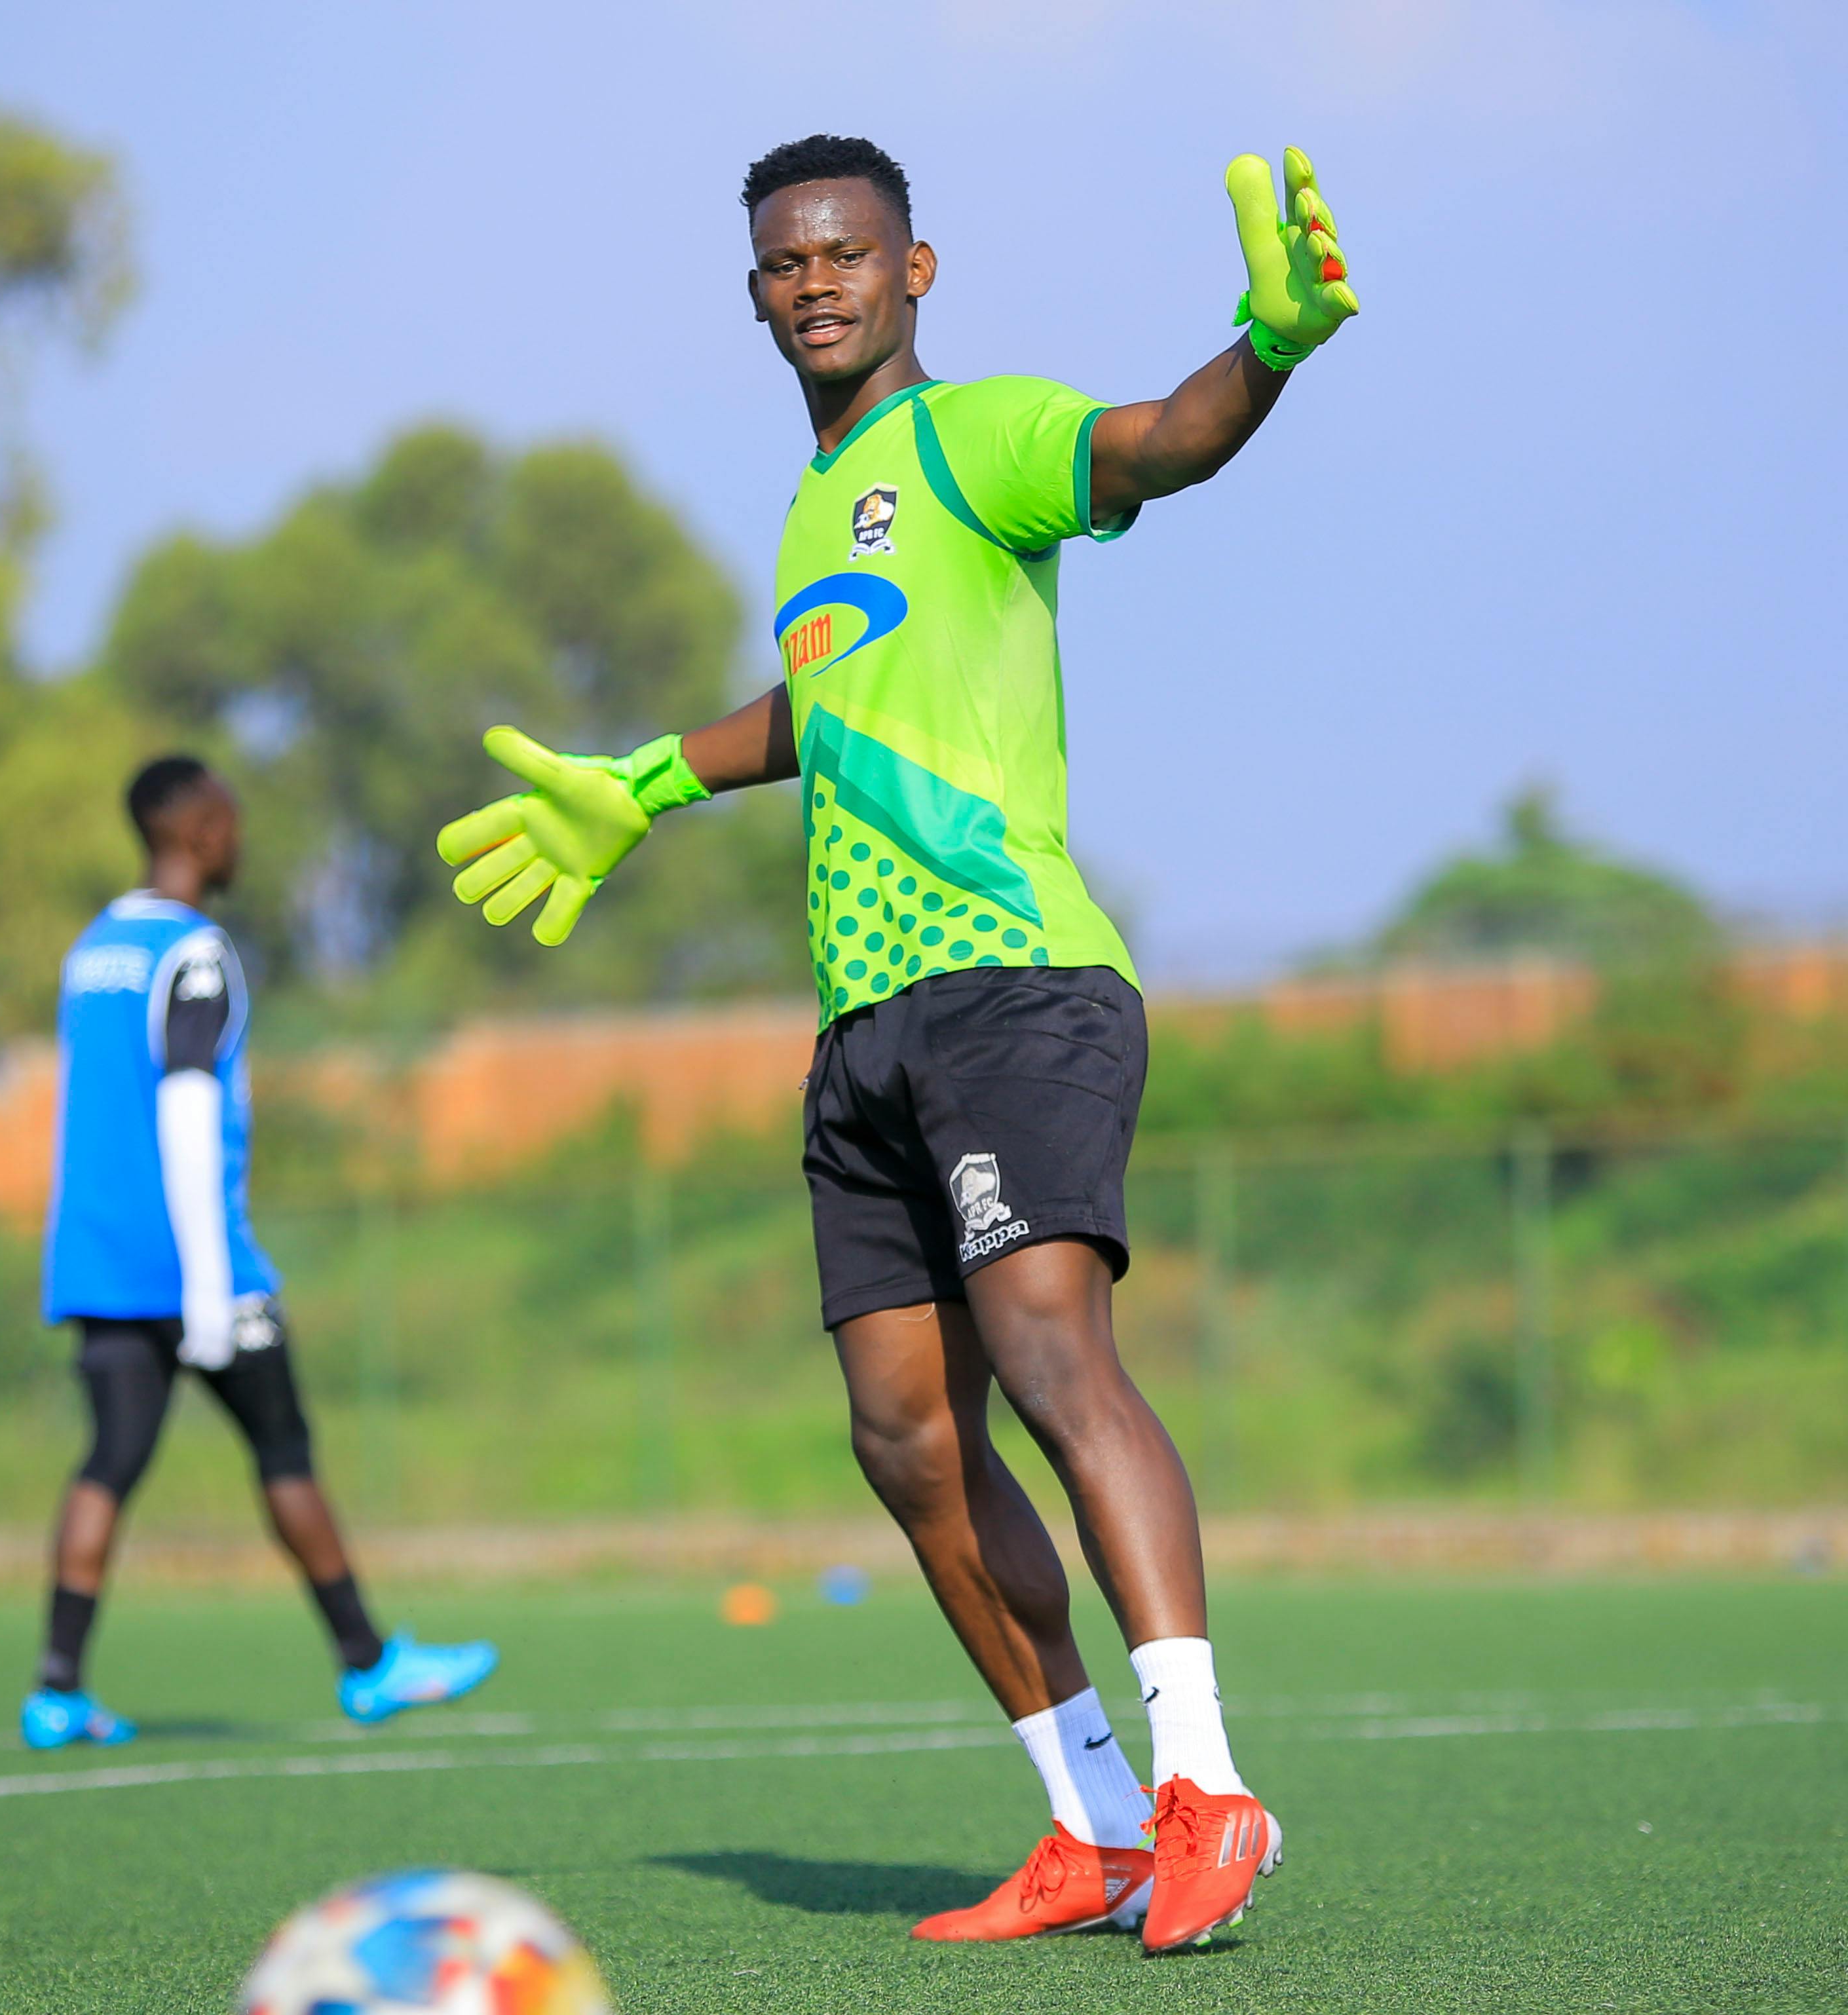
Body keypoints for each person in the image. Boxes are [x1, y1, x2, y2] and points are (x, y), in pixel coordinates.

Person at [435, 134, 1355, 1953]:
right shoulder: (812, 506)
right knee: (904, 1437)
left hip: (1010, 985)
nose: (817, 282)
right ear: (754, 294)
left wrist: (1266, 343)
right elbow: (826, 700)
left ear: (913, 269)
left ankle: (1205, 1785)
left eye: (847, 253)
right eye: (786, 263)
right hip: (861, 1027)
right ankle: (1094, 1823)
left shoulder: (971, 435)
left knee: (1049, 1355)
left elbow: (1156, 442)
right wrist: (645, 780)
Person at [22, 755, 498, 1750]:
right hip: (194, 1261)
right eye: (231, 820)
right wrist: (207, 1287)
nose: (239, 838)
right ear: (198, 830)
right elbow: (188, 1108)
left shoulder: (92, 950)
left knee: (109, 1460)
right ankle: (369, 1664)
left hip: (98, 1256)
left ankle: (56, 1690)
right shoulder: (194, 951)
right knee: (283, 1450)